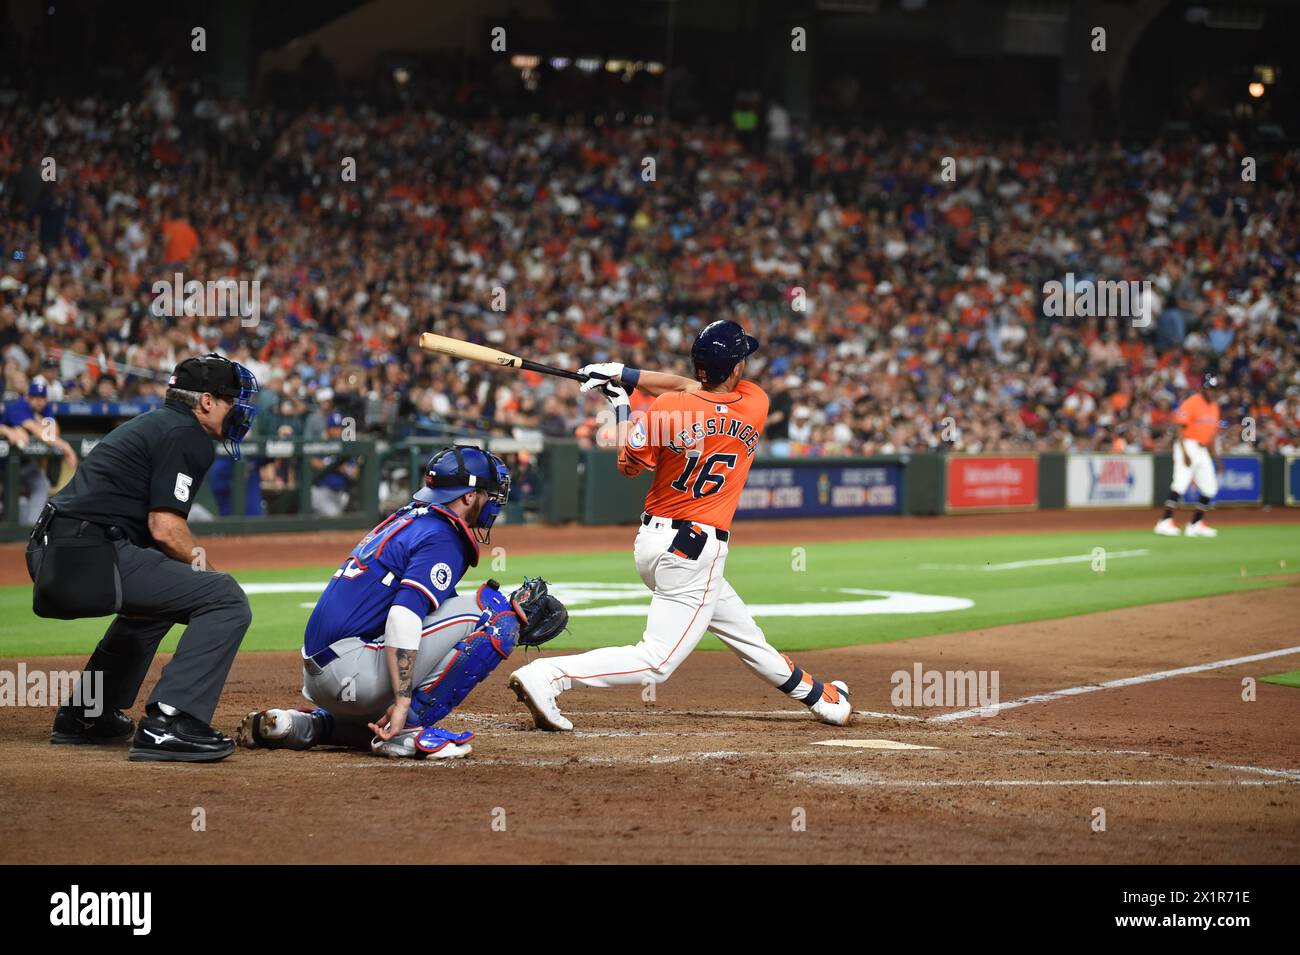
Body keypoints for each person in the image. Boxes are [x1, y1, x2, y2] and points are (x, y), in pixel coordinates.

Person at [508, 320, 853, 730]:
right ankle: (548, 675)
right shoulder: (756, 402)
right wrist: (625, 378)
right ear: (736, 368)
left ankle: (822, 699)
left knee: (745, 634)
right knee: (656, 662)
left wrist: (621, 399)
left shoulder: (668, 408)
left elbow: (628, 465)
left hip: (655, 544)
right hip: (695, 550)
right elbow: (695, 388)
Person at [235, 446, 565, 759]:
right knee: (496, 616)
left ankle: (305, 725)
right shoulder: (443, 535)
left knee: (448, 623)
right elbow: (402, 616)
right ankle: (407, 729)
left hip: (324, 674)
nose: (493, 502)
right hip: (352, 671)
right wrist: (404, 701)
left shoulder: (409, 519)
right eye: (487, 494)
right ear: (468, 496)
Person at [26, 353, 259, 762]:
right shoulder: (186, 435)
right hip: (85, 554)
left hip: (61, 550)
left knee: (155, 605)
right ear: (206, 401)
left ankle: (87, 715)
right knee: (225, 598)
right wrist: (209, 571)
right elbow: (165, 528)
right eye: (231, 400)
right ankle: (171, 722)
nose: (237, 410)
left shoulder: (156, 423)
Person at [1155, 372, 1223, 538]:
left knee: (1210, 488)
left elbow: (1212, 435)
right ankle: (1164, 522)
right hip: (1188, 444)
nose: (1212, 392)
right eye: (1209, 388)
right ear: (1203, 388)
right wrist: (1184, 451)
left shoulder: (1214, 407)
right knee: (1180, 484)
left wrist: (1216, 458)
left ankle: (1195, 524)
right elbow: (1179, 427)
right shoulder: (1192, 402)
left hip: (1202, 449)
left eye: (1214, 389)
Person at [3, 379, 78, 522]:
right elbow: (40, 432)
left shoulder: (44, 409)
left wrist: (40, 420)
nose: (39, 401)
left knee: (42, 484)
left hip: (23, 462)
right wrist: (66, 447)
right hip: (4, 464)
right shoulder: (18, 406)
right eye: (35, 398)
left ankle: (32, 527)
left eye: (42, 398)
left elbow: (54, 432)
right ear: (27, 398)